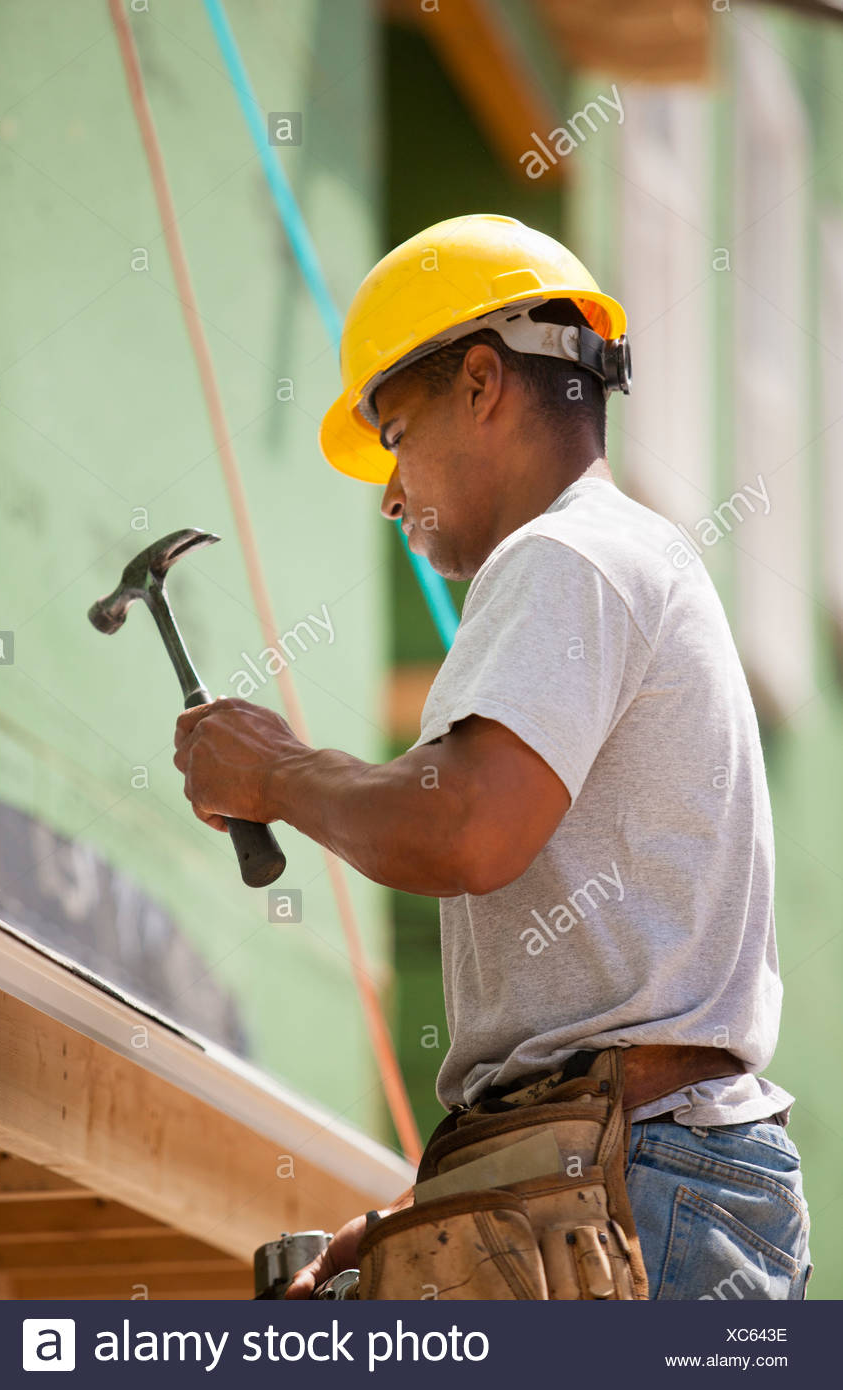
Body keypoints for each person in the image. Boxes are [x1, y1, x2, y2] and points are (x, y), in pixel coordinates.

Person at [173, 214, 812, 1300]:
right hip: (637, 1177)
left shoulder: (564, 553)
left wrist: (275, 771)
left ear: (479, 381)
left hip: (638, 1182)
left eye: (393, 433)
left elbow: (463, 827)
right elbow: (578, 1027)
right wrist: (420, 1221)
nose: (388, 490)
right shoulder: (615, 562)